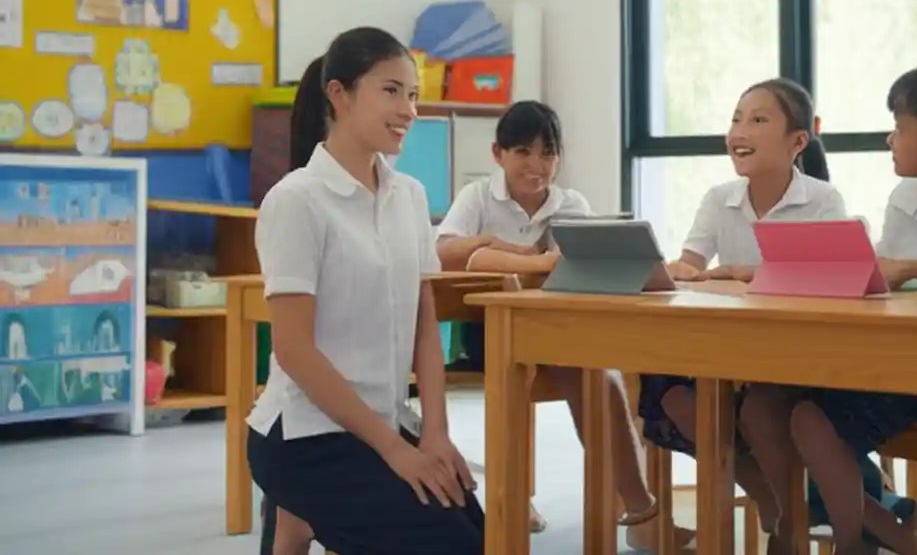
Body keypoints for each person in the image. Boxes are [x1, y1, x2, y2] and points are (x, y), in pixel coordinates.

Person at [749, 61, 917, 555]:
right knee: (805, 417)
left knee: (799, 410)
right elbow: (890, 276)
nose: (890, 139)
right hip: (900, 369)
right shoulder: (904, 198)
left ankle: (873, 536)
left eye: (900, 129)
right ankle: (860, 538)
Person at [248, 28, 483, 555]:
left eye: (414, 94)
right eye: (392, 90)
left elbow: (427, 326)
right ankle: (300, 514)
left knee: (480, 537)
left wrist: (434, 436)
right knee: (448, 546)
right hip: (304, 437)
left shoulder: (410, 197)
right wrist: (396, 454)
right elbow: (294, 352)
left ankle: (303, 522)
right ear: (339, 93)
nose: (409, 109)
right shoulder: (296, 201)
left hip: (385, 423)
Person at [435, 100, 695, 549]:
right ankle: (635, 510)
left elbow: (583, 265)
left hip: (555, 331)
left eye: (548, 153)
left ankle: (638, 509)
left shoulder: (570, 203)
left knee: (599, 376)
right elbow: (449, 253)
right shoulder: (479, 196)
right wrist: (520, 254)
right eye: (524, 153)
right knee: (590, 373)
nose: (537, 166)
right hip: (489, 332)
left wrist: (521, 260)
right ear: (498, 154)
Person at [641, 78, 852, 553]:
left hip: (797, 355)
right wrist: (660, 268)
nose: (741, 130)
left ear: (798, 142)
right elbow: (690, 266)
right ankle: (775, 503)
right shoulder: (720, 199)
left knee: (759, 408)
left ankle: (793, 516)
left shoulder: (822, 201)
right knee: (675, 398)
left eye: (759, 120)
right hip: (726, 352)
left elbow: (829, 277)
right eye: (737, 118)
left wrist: (740, 271)